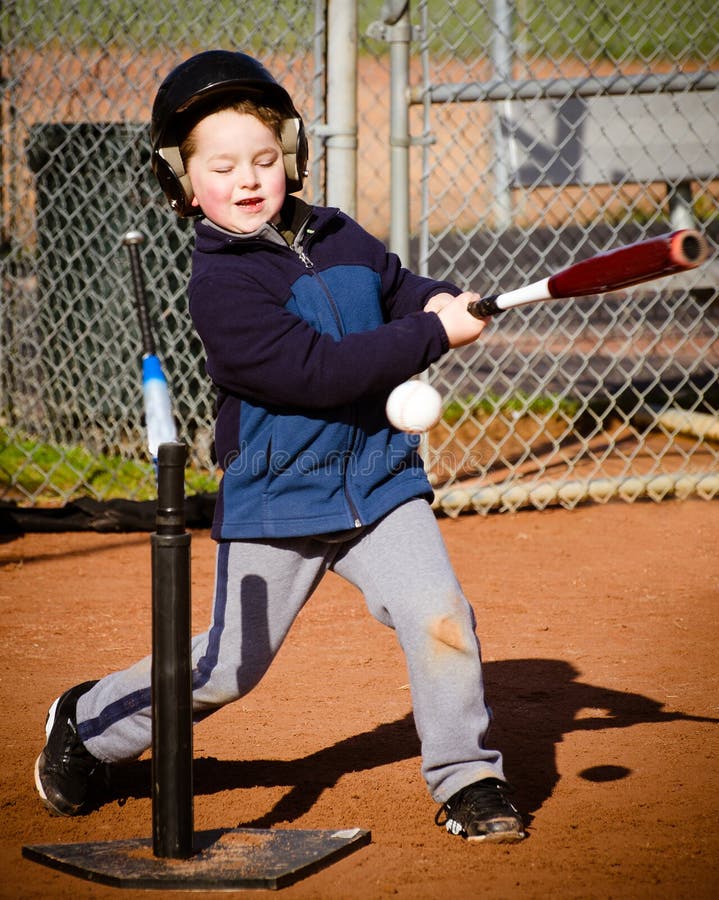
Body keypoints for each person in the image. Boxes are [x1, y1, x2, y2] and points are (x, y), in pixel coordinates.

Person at [34, 50, 525, 843]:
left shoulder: (338, 235)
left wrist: (440, 299)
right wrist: (433, 333)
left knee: (440, 616)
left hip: (377, 474)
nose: (250, 178)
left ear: (291, 159)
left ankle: (467, 778)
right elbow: (317, 372)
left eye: (264, 158)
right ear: (184, 182)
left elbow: (399, 288)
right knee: (227, 666)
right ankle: (88, 723)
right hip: (278, 491)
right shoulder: (221, 285)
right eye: (222, 166)